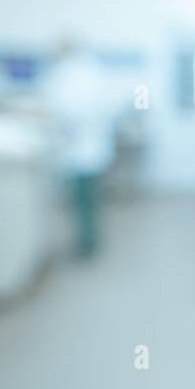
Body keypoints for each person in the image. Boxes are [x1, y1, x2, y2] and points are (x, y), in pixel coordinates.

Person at [43, 39, 116, 258]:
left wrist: (54, 116)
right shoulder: (86, 71)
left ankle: (87, 243)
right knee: (86, 201)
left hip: (82, 148)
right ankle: (87, 240)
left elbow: (70, 108)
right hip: (83, 147)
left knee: (84, 201)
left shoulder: (76, 74)